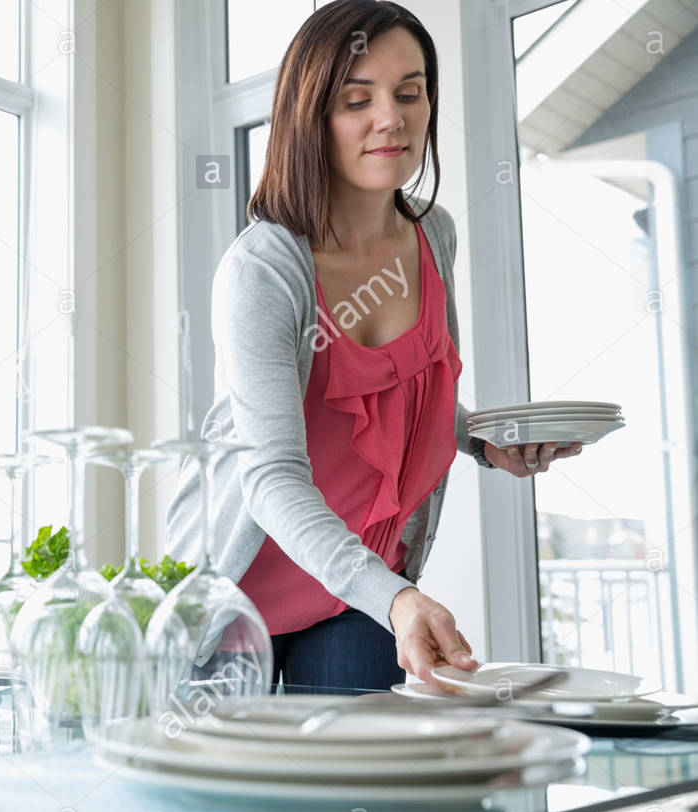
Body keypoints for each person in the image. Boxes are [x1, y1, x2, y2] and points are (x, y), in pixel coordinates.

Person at [165, 0, 581, 692]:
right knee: (244, 799)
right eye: (358, 100)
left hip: (353, 592)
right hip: (232, 606)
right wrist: (394, 596)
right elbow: (268, 475)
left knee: (359, 790)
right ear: (311, 118)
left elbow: (398, 390)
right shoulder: (264, 268)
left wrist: (481, 439)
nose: (392, 118)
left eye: (410, 93)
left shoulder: (433, 236)